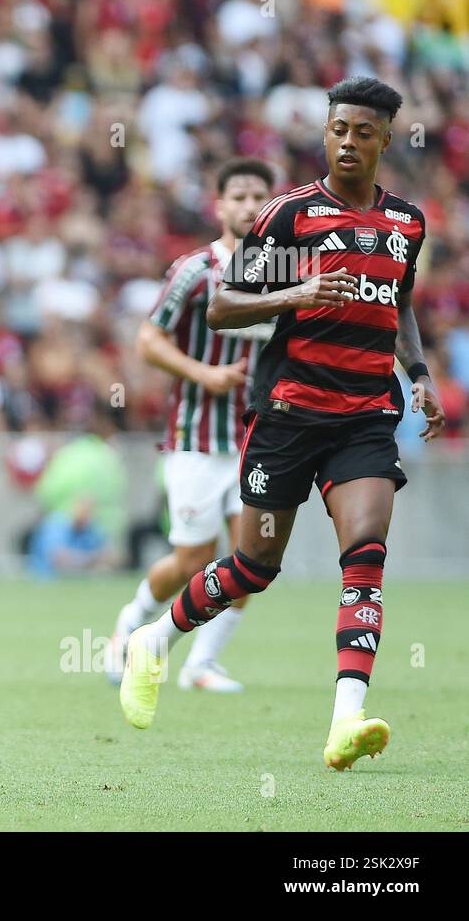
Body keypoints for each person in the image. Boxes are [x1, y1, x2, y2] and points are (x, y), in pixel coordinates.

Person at [119, 77, 447, 772]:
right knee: (252, 568)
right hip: (289, 416)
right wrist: (298, 292)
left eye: (363, 130)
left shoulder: (406, 224)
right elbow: (225, 304)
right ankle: (155, 639)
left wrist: (418, 377)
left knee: (364, 560)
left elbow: (402, 301)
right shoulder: (292, 217)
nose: (348, 141)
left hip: (365, 418)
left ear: (386, 137)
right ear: (325, 133)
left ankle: (345, 721)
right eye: (338, 129)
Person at [107, 158, 275, 693]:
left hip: (261, 441)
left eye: (259, 197)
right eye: (239, 196)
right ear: (220, 204)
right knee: (192, 560)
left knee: (249, 559)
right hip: (197, 439)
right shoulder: (195, 270)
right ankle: (127, 628)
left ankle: (201, 663)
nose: (249, 206)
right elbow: (148, 340)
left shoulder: (289, 275)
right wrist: (205, 373)